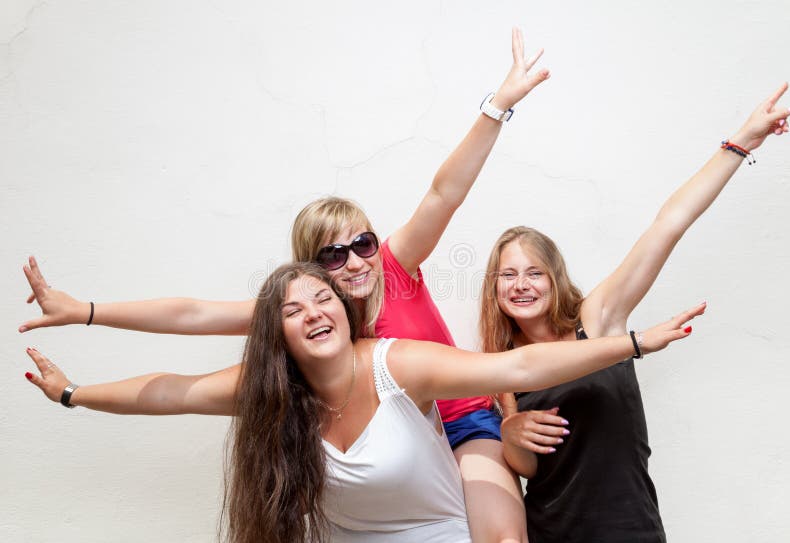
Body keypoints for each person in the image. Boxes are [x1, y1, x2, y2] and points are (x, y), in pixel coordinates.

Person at [19, 28, 551, 543]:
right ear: (313, 267)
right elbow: (190, 316)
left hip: (460, 422)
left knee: (502, 537)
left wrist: (496, 106)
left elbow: (444, 193)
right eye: (334, 254)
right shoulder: (309, 313)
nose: (356, 262)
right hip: (379, 463)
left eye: (363, 243)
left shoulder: (393, 264)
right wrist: (84, 313)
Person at [23, 261, 705, 543]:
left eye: (325, 297)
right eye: (293, 308)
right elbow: (166, 391)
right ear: (277, 332)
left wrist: (633, 343)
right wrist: (74, 392)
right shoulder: (269, 392)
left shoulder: (397, 364)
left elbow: (519, 362)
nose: (314, 310)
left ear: (347, 313)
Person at [480, 84, 790, 542]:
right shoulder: (500, 365)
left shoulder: (597, 321)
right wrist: (510, 433)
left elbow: (668, 225)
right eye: (508, 275)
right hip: (550, 533)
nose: (522, 284)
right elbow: (531, 467)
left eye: (534, 272)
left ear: (555, 278)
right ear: (495, 288)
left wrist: (740, 142)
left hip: (631, 530)